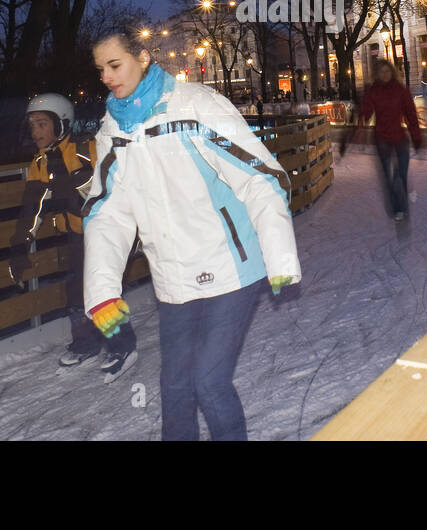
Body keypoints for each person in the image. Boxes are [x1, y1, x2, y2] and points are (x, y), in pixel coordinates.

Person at [82, 27, 301, 440]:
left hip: (232, 266)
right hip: (173, 277)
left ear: (143, 57)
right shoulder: (113, 131)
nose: (107, 76)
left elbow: (261, 178)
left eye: (115, 65)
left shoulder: (197, 105)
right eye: (101, 70)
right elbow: (107, 212)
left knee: (209, 382)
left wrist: (280, 256)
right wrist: (102, 290)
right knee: (175, 386)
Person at [8, 94, 108, 369]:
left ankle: (114, 339)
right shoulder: (40, 164)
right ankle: (87, 340)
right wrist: (20, 245)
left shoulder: (85, 150)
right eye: (32, 126)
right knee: (76, 286)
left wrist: (79, 183)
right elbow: (32, 208)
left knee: (101, 286)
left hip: (105, 231)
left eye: (42, 124)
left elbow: (108, 181)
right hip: (76, 235)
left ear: (61, 124)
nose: (35, 132)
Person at [344, 59, 423, 221]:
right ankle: (397, 208)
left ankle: (402, 201)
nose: (385, 75)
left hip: (400, 138)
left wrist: (416, 137)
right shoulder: (374, 91)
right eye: (381, 72)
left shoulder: (401, 90)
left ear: (392, 72)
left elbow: (411, 115)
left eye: (387, 71)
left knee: (400, 175)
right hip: (382, 139)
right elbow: (366, 112)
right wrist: (358, 128)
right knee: (388, 177)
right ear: (377, 75)